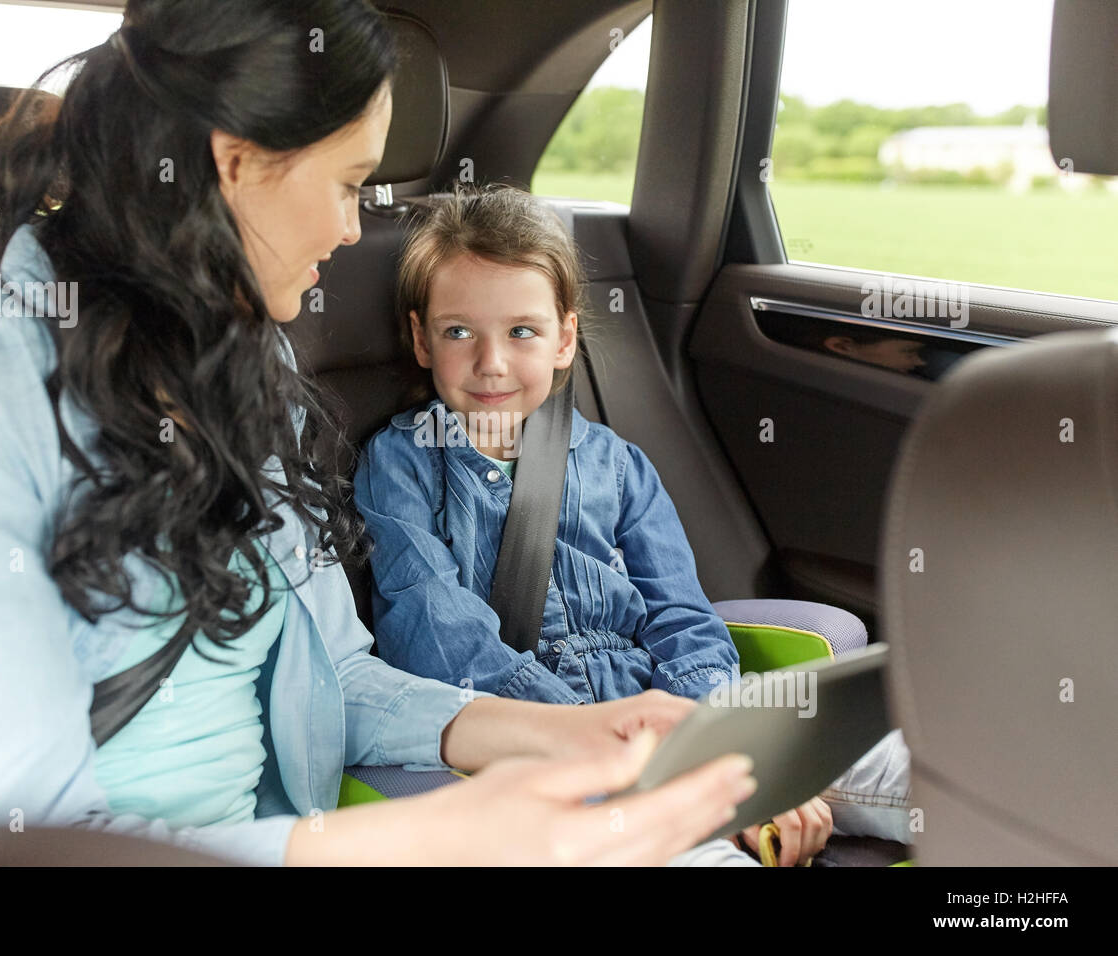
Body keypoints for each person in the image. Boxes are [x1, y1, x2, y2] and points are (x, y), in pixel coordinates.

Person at [0, 0, 759, 866]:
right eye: (349, 182)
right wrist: (430, 839)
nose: (355, 230)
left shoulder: (240, 362)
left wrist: (569, 733)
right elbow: (28, 837)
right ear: (237, 161)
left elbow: (338, 675)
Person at [353, 182, 914, 866]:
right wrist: (609, 744)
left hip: (671, 716)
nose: (491, 361)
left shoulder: (616, 463)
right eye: (458, 332)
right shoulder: (400, 464)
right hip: (528, 744)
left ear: (565, 339)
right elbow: (439, 639)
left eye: (521, 331)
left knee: (924, 766)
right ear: (420, 338)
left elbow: (683, 617)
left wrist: (716, 744)